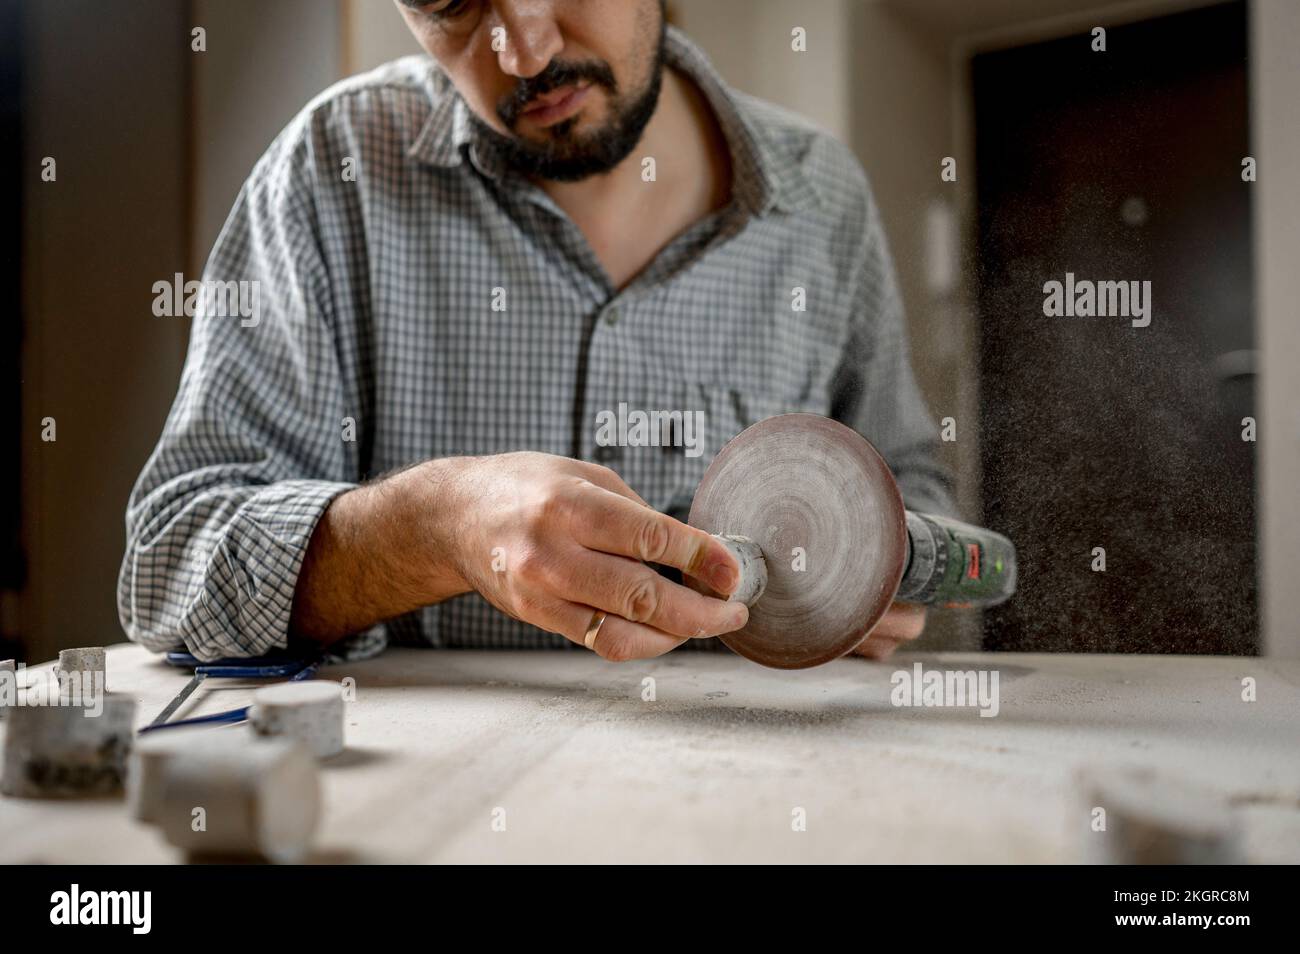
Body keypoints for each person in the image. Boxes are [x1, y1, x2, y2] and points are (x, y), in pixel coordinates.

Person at [118, 0, 952, 664]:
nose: (523, 48)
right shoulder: (328, 175)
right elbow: (168, 565)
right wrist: (438, 528)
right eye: (450, 2)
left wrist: (885, 560)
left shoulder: (823, 197)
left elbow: (913, 477)